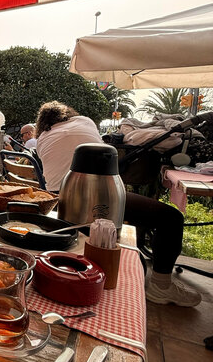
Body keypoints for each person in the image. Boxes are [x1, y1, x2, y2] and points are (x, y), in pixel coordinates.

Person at [35, 101, 203, 307]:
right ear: (68, 114)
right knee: (171, 217)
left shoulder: (41, 138)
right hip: (99, 190)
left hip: (59, 197)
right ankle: (161, 284)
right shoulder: (84, 121)